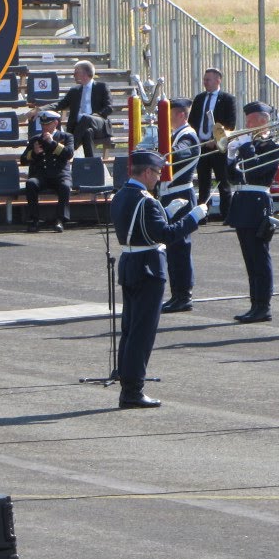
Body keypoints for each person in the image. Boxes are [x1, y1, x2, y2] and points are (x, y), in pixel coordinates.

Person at [110, 149, 205, 409]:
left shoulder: (121, 195)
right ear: (148, 172)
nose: (159, 178)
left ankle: (128, 381)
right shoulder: (145, 201)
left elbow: (142, 228)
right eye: (157, 173)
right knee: (142, 333)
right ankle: (132, 391)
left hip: (130, 263)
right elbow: (164, 234)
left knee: (130, 330)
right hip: (148, 268)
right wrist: (193, 217)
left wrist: (165, 210)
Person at [224, 101, 279, 324]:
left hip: (258, 202)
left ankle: (263, 305)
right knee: (249, 259)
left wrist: (246, 146)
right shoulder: (247, 143)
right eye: (246, 121)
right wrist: (230, 156)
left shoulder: (272, 145)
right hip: (242, 203)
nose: (247, 125)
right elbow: (232, 177)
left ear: (264, 121)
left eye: (251, 121)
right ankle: (254, 304)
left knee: (260, 257)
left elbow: (258, 170)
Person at [160, 98, 200, 313]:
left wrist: (161, 154)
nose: (166, 120)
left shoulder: (187, 135)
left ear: (181, 115)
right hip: (171, 194)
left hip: (181, 196)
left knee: (180, 248)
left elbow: (181, 154)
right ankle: (177, 294)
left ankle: (184, 294)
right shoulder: (176, 135)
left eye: (170, 114)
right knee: (173, 248)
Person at [189, 67, 238, 216]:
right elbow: (192, 121)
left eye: (208, 80)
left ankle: (227, 214)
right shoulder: (199, 98)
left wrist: (215, 140)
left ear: (218, 80)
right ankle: (202, 214)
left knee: (223, 181)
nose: (205, 83)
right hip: (202, 145)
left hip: (218, 147)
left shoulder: (228, 99)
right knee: (203, 183)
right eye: (204, 80)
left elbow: (230, 123)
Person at [21, 110, 75, 232]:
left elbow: (68, 154)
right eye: (43, 124)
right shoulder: (35, 139)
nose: (44, 127)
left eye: (47, 124)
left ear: (55, 123)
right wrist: (33, 153)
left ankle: (60, 220)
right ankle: (34, 220)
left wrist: (52, 143)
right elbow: (23, 160)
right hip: (42, 176)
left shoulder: (66, 137)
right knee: (31, 183)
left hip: (60, 175)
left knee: (65, 186)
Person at [51, 60, 111, 158]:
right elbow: (61, 104)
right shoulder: (75, 90)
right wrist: (41, 109)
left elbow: (109, 108)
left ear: (84, 74)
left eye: (75, 73)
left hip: (99, 123)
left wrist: (93, 116)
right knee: (87, 132)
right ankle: (90, 163)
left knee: (86, 118)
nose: (74, 75)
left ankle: (68, 150)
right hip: (80, 127)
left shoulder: (102, 87)